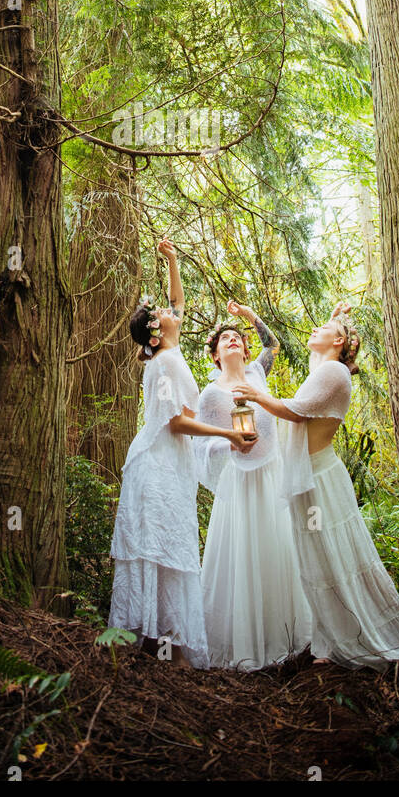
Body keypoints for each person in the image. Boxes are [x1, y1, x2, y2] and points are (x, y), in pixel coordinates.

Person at [232, 303, 399, 672]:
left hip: (320, 478)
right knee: (315, 559)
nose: (312, 332)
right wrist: (335, 317)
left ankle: (356, 637)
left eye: (323, 328)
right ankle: (329, 640)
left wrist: (256, 397)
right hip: (310, 476)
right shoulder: (327, 368)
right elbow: (314, 376)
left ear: (338, 341)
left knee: (333, 555)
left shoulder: (335, 372)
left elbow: (298, 410)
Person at [108, 239, 256, 669]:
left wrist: (172, 260)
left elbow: (177, 302)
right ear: (158, 330)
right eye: (166, 315)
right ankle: (163, 650)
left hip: (168, 464)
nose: (175, 312)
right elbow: (177, 423)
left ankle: (161, 646)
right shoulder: (167, 364)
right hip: (158, 465)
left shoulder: (167, 355)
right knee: (161, 547)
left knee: (166, 547)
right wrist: (227, 432)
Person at [194, 299, 315, 670]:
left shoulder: (258, 375)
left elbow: (273, 344)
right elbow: (199, 444)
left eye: (237, 338)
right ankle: (243, 645)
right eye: (224, 339)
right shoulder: (211, 394)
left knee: (277, 550)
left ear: (245, 351)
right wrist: (227, 440)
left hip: (271, 476)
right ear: (215, 355)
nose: (232, 340)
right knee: (242, 554)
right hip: (240, 482)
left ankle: (289, 637)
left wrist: (248, 316)